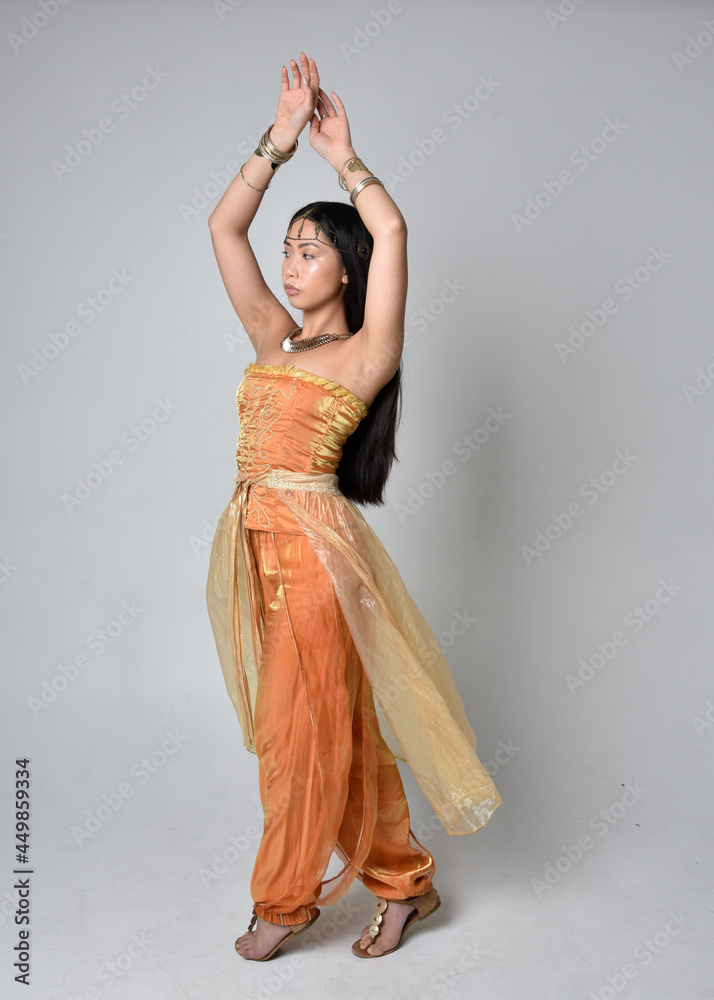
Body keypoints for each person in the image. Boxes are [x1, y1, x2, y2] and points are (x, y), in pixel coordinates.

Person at [205, 52, 502, 962]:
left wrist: (342, 157)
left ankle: (283, 903)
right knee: (323, 725)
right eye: (286, 250)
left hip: (315, 555)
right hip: (255, 547)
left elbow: (395, 226)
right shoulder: (274, 340)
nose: (288, 265)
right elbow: (223, 228)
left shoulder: (368, 353)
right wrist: (278, 140)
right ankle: (403, 881)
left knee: (299, 735)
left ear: (347, 269)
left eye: (308, 250)